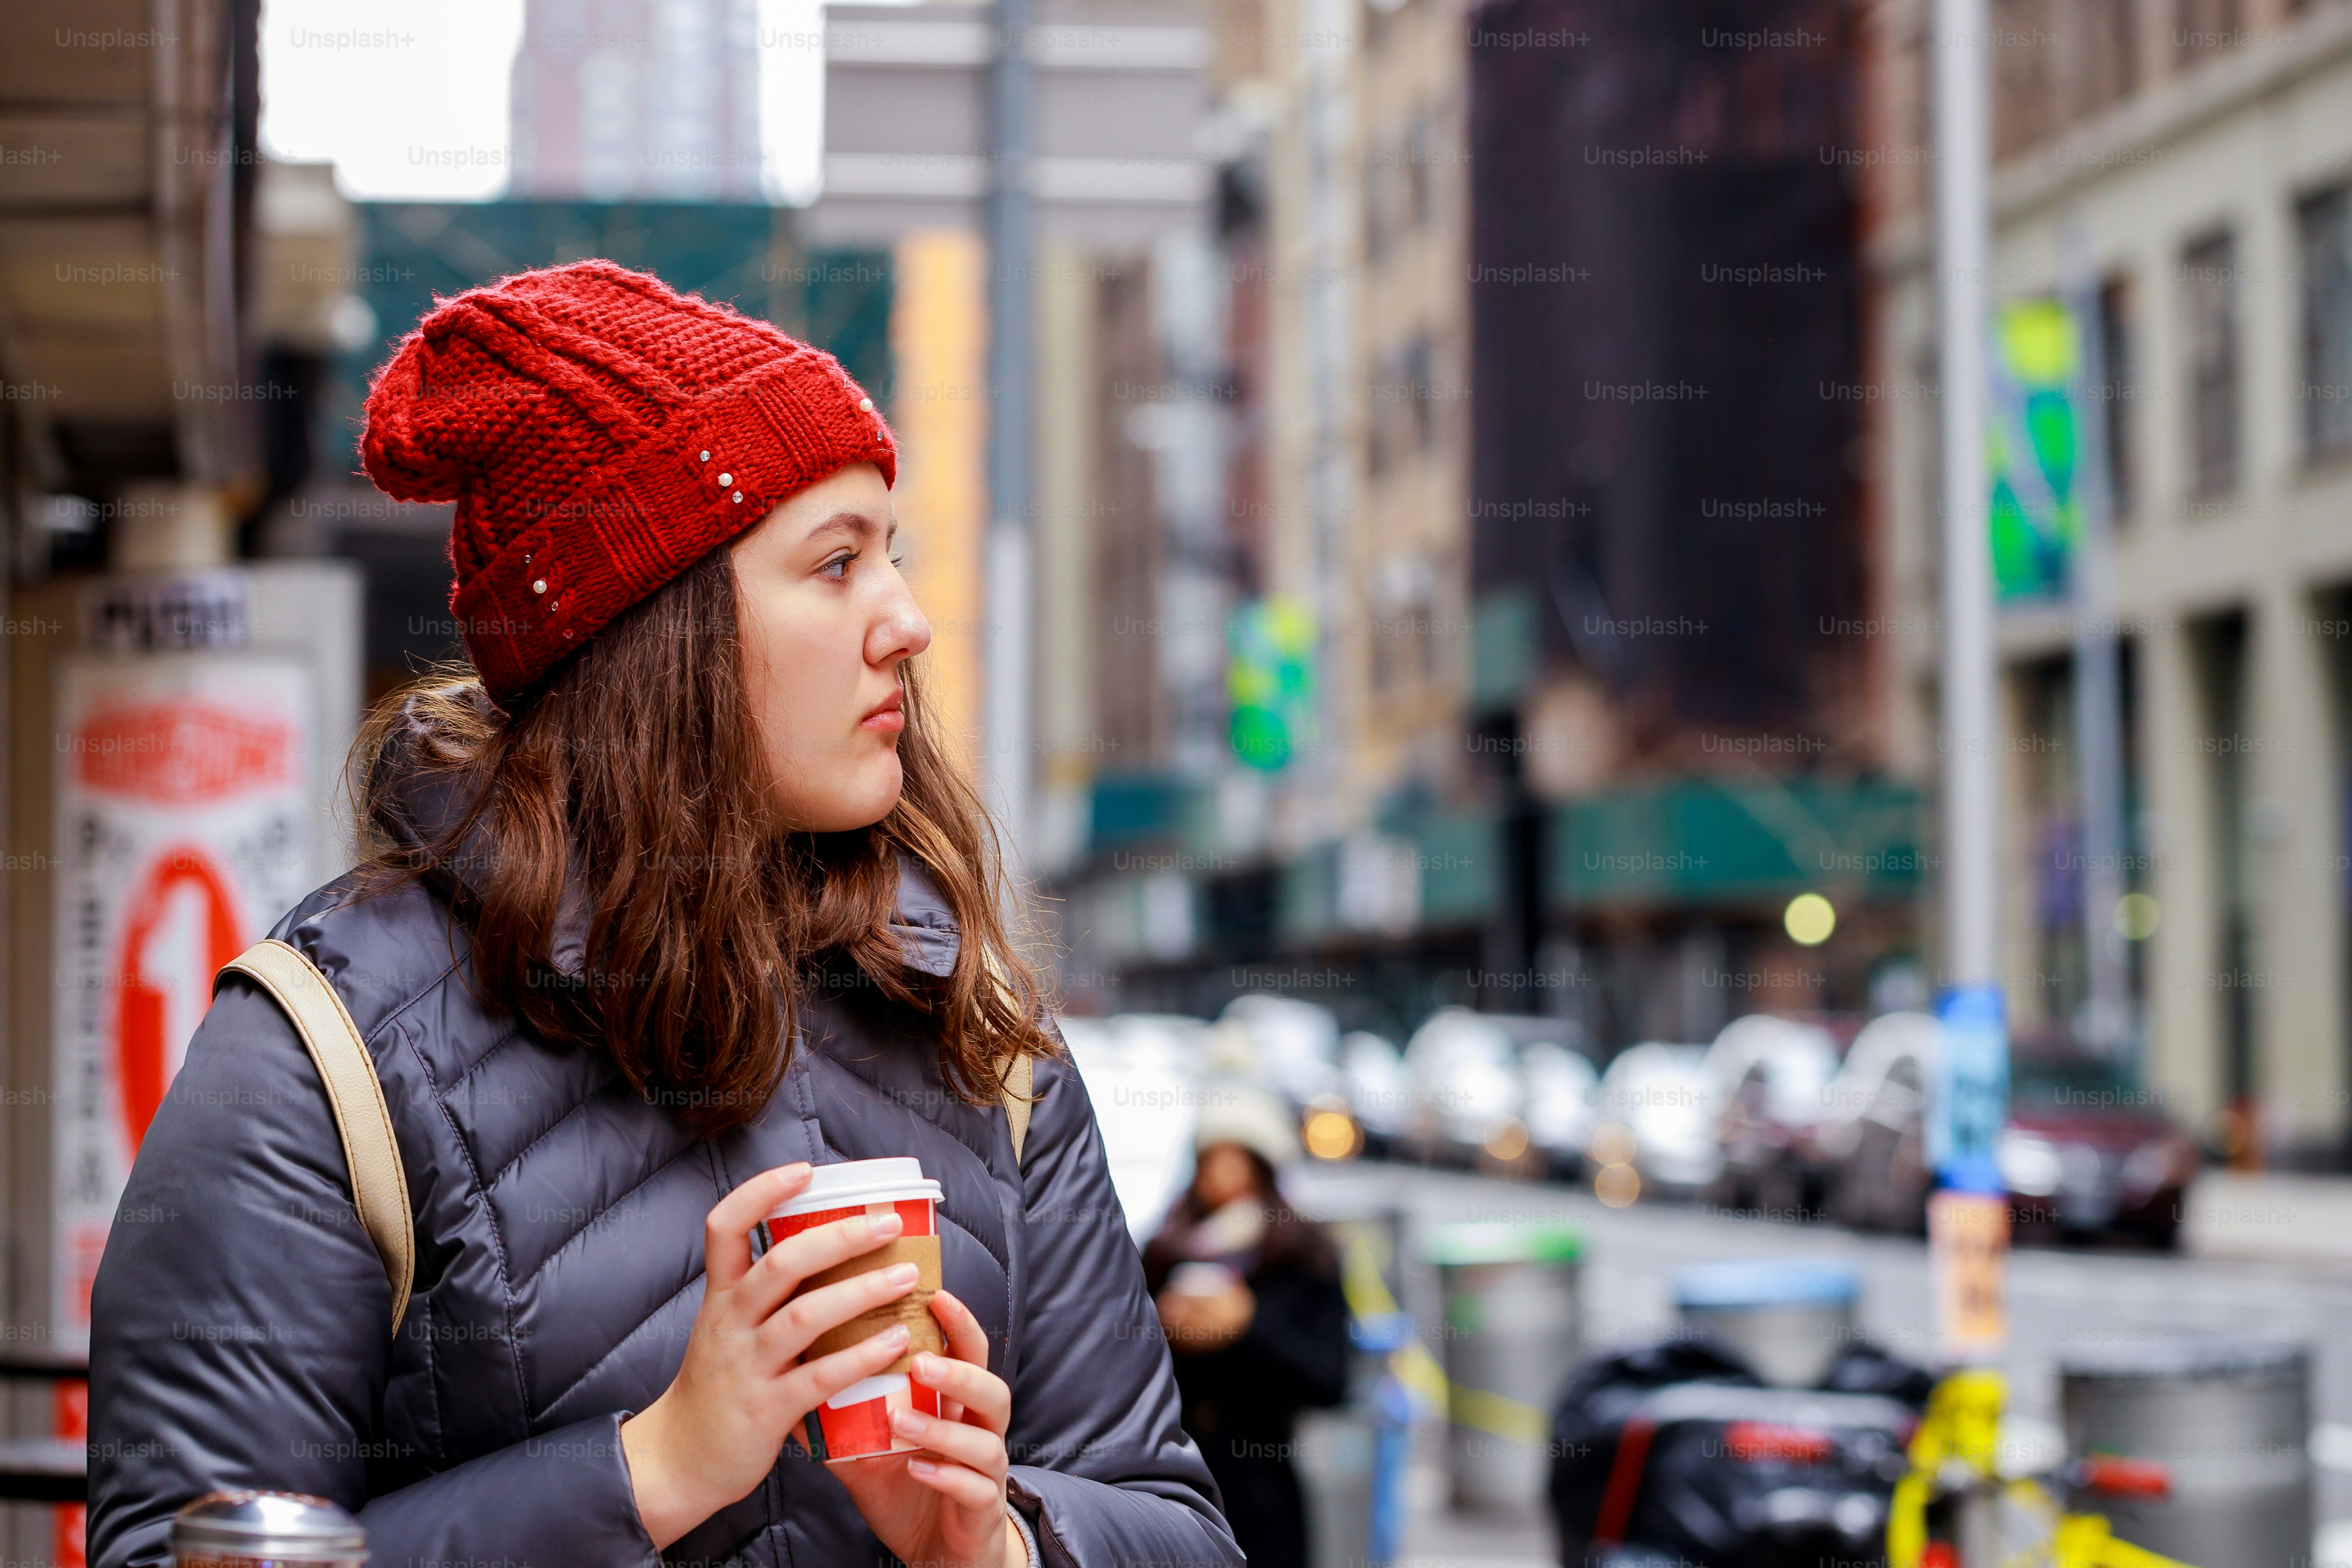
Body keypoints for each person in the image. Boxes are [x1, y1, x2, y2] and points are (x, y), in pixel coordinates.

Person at [84, 260, 1243, 1568]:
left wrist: (1002, 1540)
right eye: (838, 563)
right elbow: (174, 1553)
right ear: (658, 629)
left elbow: (1174, 1521)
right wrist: (654, 1466)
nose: (908, 625)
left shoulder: (974, 1027)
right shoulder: (327, 1053)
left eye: (896, 558)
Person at [1142, 1086, 1351, 1567]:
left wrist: (1248, 1325)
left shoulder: (1303, 1257)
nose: (1224, 1177)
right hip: (1173, 1485)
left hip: (1265, 1493)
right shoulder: (1164, 1251)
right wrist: (1164, 1325)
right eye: (1212, 1160)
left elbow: (1329, 1378)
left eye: (1240, 1160)